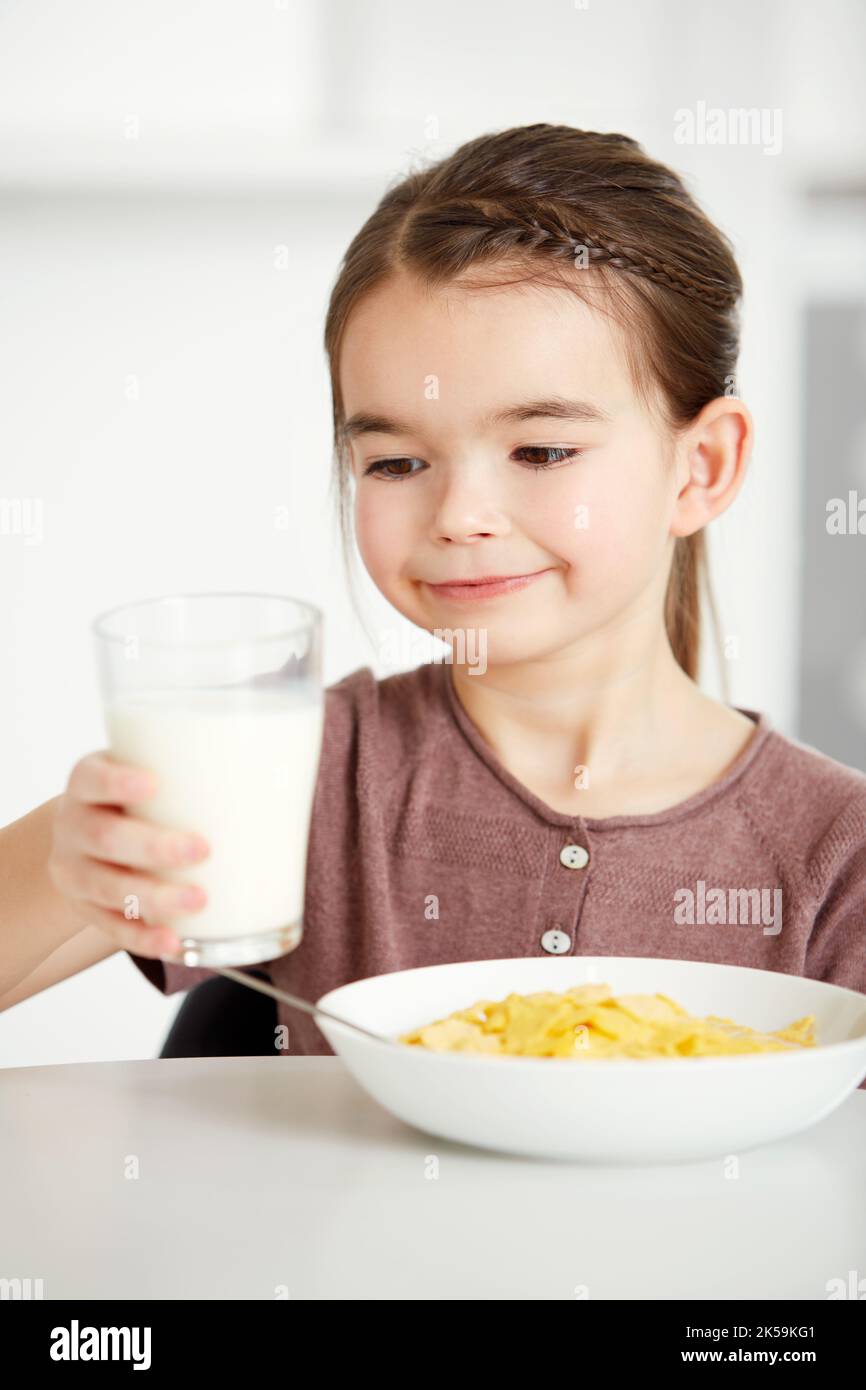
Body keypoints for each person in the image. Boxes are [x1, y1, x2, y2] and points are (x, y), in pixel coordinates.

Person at [2, 124, 865, 1073]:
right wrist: (65, 869)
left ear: (701, 465)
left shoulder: (837, 857)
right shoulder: (302, 773)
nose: (459, 514)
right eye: (397, 461)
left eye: (541, 451)